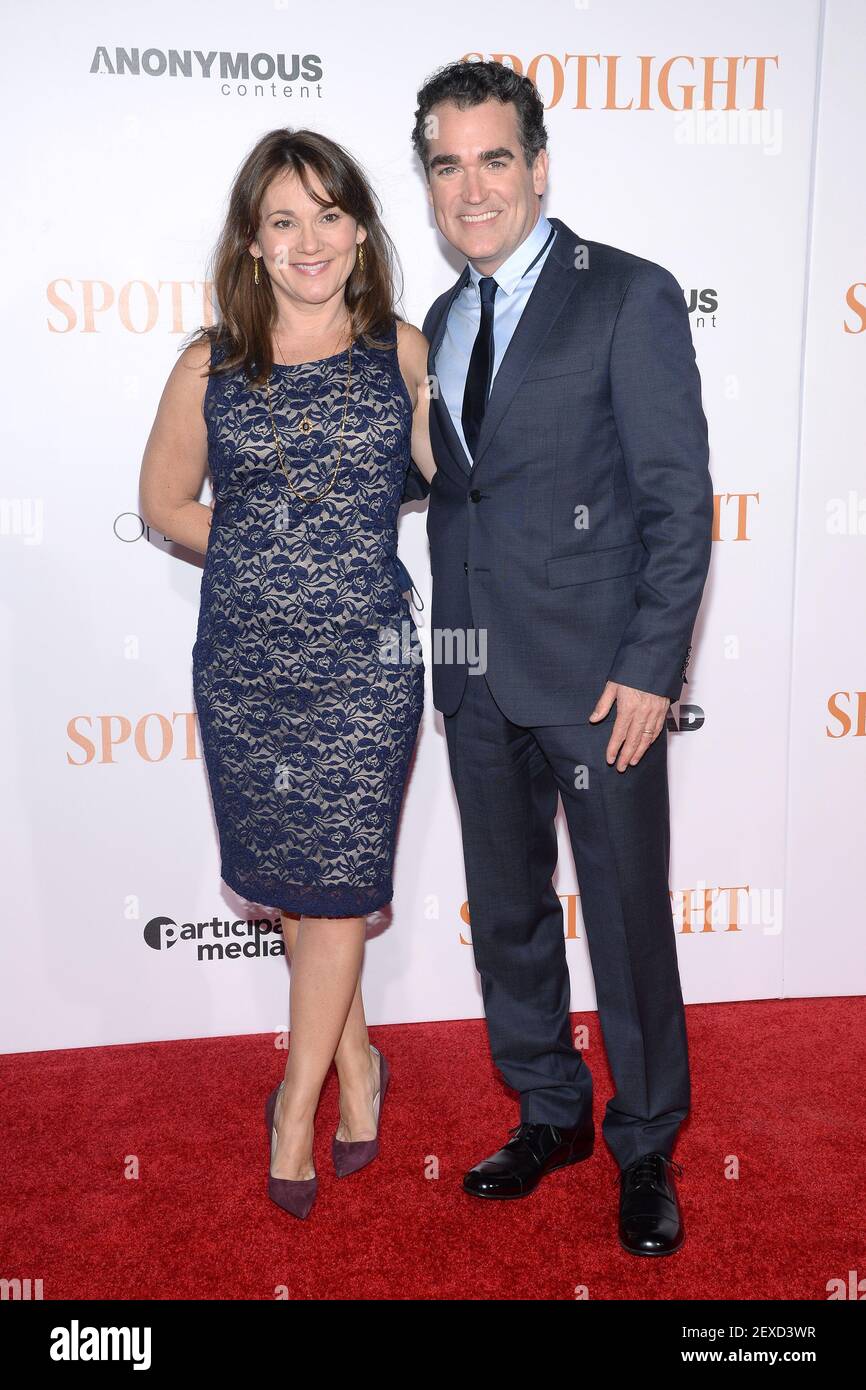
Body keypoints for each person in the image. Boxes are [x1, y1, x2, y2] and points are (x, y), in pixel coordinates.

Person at [403, 60, 714, 1255]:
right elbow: (462, 498)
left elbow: (675, 502)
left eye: (494, 159)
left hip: (600, 681)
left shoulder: (627, 296)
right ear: (429, 185)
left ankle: (645, 1144)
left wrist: (651, 666)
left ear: (537, 167)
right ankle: (547, 1111)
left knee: (627, 918)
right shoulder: (441, 320)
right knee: (513, 918)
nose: (471, 186)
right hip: (475, 669)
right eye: (447, 164)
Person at [139, 128, 436, 1221]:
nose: (308, 238)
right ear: (252, 243)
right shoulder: (208, 363)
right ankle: (357, 1063)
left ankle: (294, 1104)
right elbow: (165, 506)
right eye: (282, 219)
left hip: (367, 666)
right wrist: (263, 544)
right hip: (248, 667)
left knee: (342, 890)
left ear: (359, 227)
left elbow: (458, 479)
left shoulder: (406, 350)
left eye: (327, 213)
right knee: (294, 890)